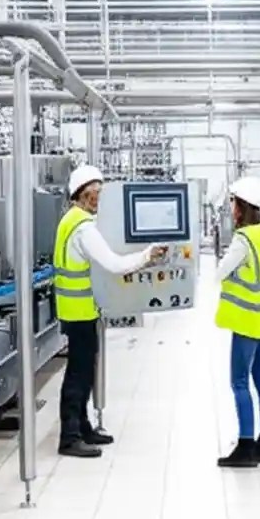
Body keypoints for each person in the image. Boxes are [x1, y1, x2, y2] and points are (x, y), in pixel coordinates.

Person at [52, 164, 168, 458]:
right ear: (80, 194)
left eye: (99, 194)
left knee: (85, 369)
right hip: (78, 312)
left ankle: (84, 426)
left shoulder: (70, 220)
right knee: (79, 373)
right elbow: (114, 265)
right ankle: (70, 437)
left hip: (77, 309)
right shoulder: (82, 228)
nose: (97, 200)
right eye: (93, 194)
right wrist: (146, 256)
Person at [215, 176, 260, 468]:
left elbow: (220, 271)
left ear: (242, 206)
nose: (231, 207)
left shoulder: (243, 240)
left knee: (239, 382)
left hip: (247, 321)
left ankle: (245, 446)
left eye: (233, 202)